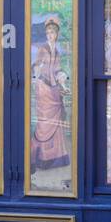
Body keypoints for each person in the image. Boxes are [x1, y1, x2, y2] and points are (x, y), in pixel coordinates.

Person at [31, 17, 71, 176]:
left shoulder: (58, 51)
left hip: (54, 89)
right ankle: (41, 157)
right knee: (44, 123)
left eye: (52, 32)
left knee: (56, 123)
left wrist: (63, 85)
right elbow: (36, 67)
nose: (49, 35)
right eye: (47, 32)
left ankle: (56, 157)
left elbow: (58, 71)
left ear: (57, 34)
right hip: (44, 88)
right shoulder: (42, 49)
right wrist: (37, 73)